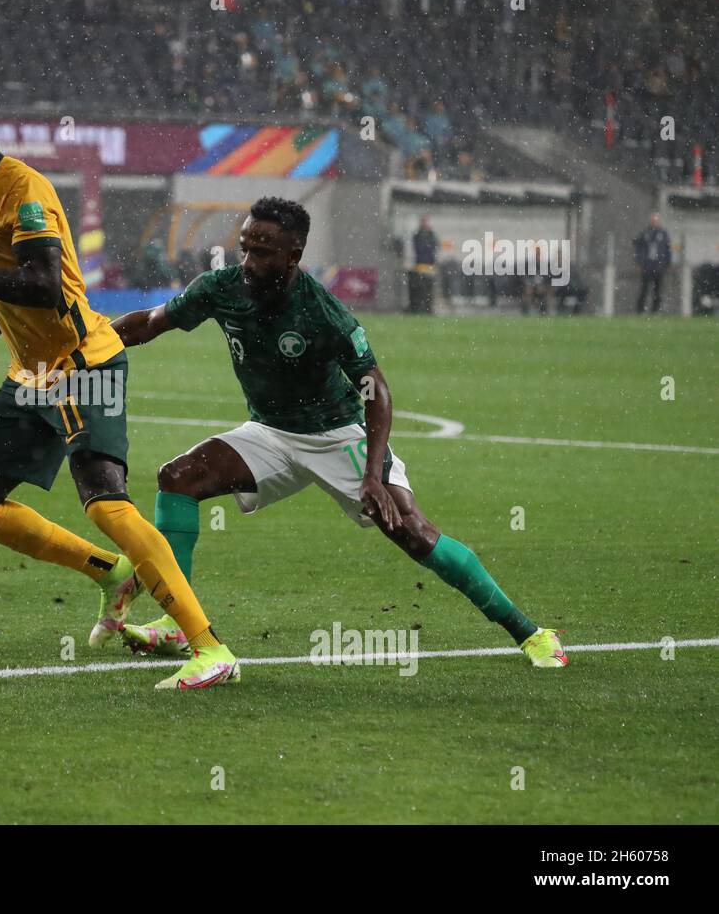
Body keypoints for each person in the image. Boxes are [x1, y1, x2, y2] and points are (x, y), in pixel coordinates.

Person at [109, 197, 567, 668]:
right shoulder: (220, 287)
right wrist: (91, 342)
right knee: (177, 477)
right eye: (245, 247)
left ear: (294, 254)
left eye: (264, 252)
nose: (249, 261)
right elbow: (148, 323)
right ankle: (179, 625)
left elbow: (376, 391)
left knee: (413, 532)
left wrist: (372, 474)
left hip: (337, 435)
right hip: (270, 433)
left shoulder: (323, 312)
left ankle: (530, 633)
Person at [0, 74, 238, 690]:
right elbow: (4, 292)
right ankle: (111, 573)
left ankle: (209, 646)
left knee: (106, 502)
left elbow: (43, 286)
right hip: (30, 373)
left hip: (84, 363)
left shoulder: (23, 190)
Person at [633, 213, 671, 314]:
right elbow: (638, 249)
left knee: (658, 290)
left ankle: (655, 310)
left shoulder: (663, 234)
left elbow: (667, 250)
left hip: (658, 266)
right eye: (653, 221)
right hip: (647, 266)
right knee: (644, 289)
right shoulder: (645, 233)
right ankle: (640, 310)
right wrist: (639, 263)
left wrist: (667, 263)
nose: (654, 223)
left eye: (656, 221)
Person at [408, 216, 437, 313]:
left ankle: (428, 308)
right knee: (420, 290)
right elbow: (420, 249)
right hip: (420, 266)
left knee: (428, 290)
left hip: (429, 266)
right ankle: (419, 308)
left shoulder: (431, 235)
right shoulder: (418, 235)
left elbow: (433, 248)